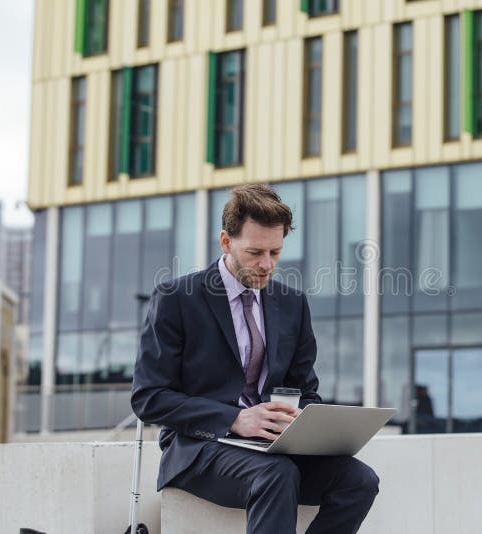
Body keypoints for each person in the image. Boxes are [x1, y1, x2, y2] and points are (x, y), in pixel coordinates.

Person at [131, 184, 379, 534]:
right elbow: (149, 398)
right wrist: (235, 419)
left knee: (359, 481)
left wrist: (301, 420)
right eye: (255, 252)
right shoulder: (176, 299)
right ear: (226, 242)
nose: (266, 265)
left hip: (271, 445)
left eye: (275, 253)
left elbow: (305, 390)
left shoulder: (292, 304)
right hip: (198, 448)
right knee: (277, 474)